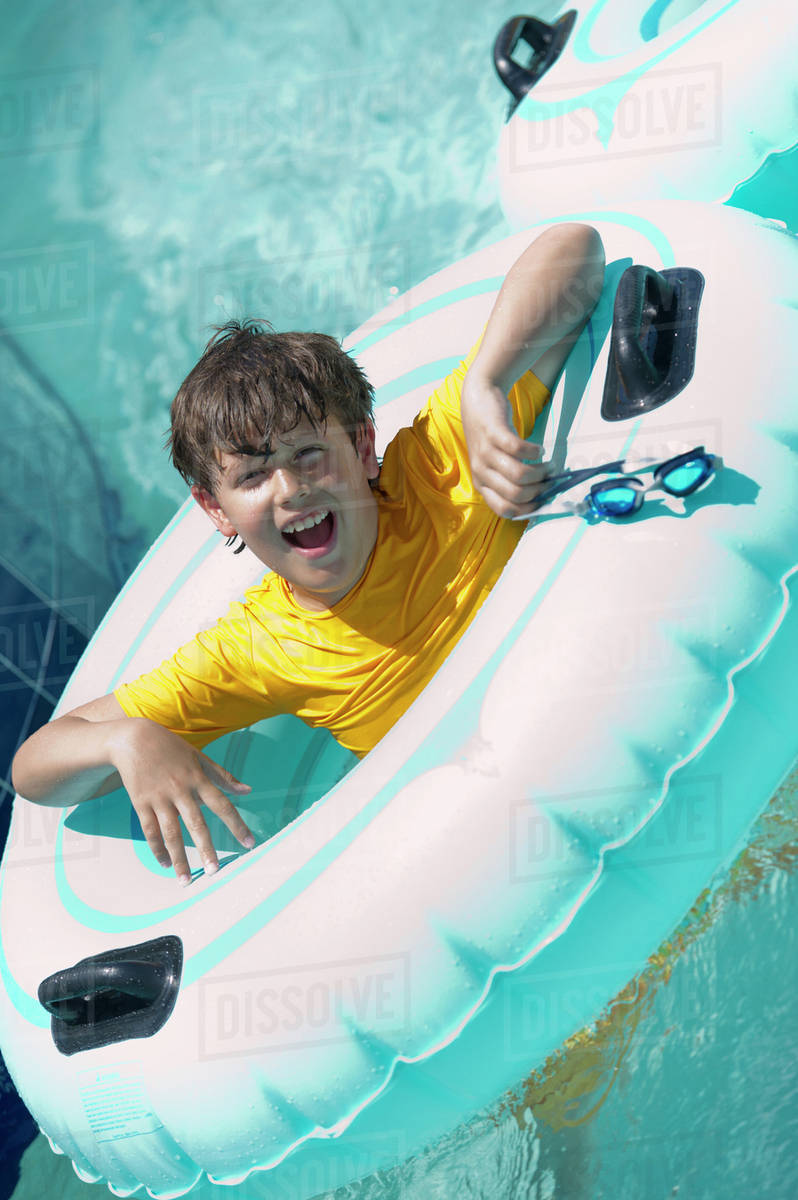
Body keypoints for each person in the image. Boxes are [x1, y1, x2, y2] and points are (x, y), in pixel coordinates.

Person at [12, 223, 604, 885]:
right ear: (214, 510)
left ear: (363, 447)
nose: (291, 489)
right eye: (252, 476)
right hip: (492, 828)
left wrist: (486, 383)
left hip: (590, 711)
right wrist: (128, 737)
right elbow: (34, 770)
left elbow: (575, 249)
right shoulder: (258, 649)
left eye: (309, 454)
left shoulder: (441, 465)